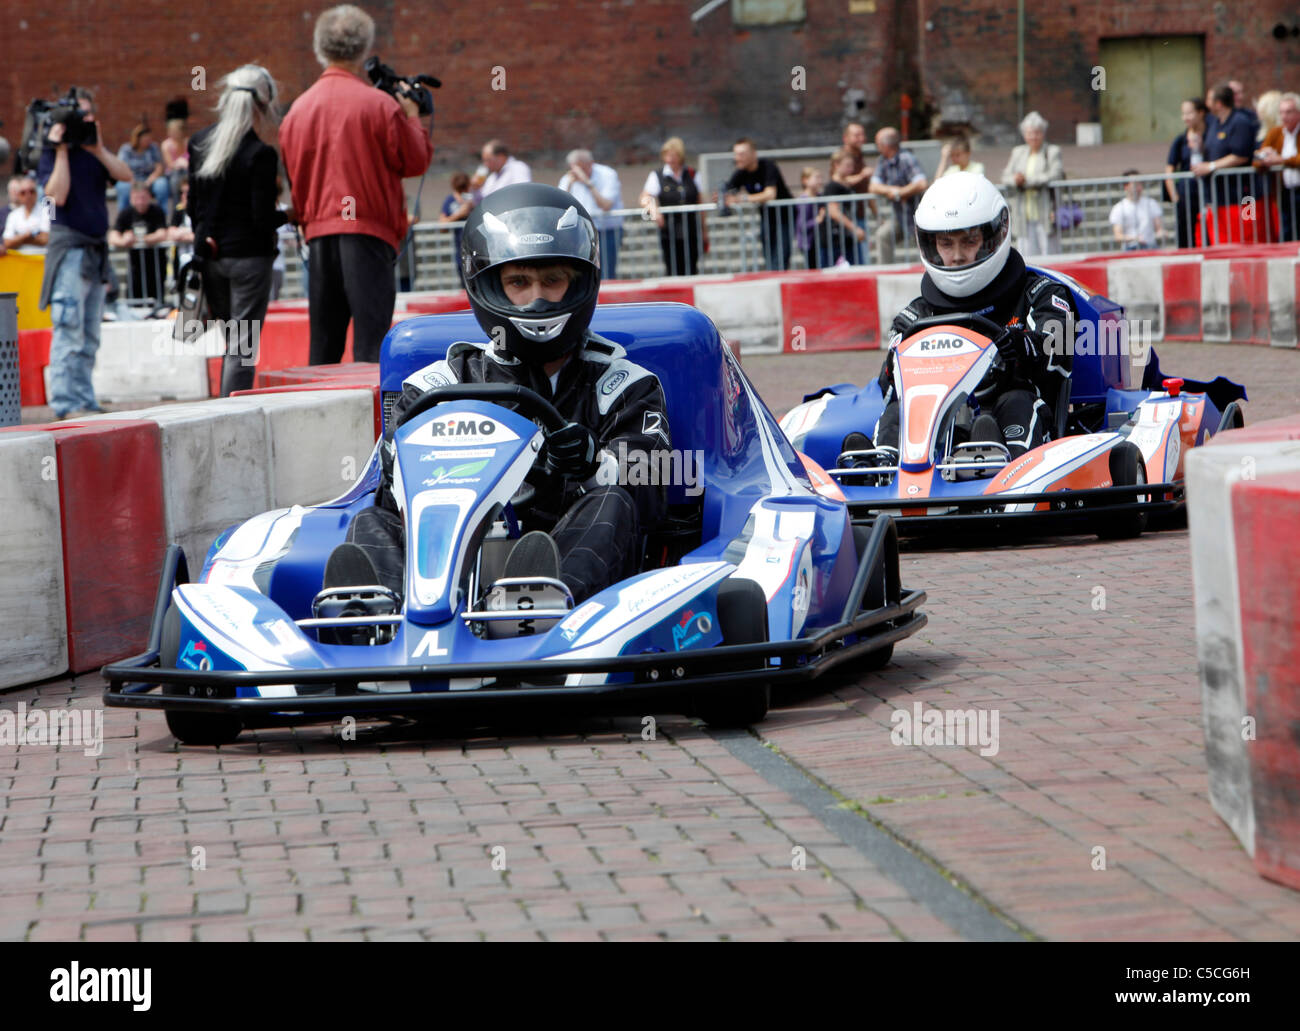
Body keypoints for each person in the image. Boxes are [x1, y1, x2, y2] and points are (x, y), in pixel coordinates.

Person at [333, 183, 670, 606]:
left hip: (568, 557)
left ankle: (537, 604)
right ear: (489, 285)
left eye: (553, 280)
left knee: (612, 502)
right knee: (371, 519)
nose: (537, 298)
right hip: (453, 553)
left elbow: (656, 492)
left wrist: (593, 464)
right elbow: (391, 490)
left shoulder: (624, 384)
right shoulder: (437, 386)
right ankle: (375, 619)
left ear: (579, 280)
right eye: (518, 282)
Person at [864, 172, 1073, 461]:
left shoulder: (1040, 293)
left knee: (1015, 402)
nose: (958, 256)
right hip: (937, 422)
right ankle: (883, 471)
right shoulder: (916, 316)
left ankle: (1003, 469)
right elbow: (889, 390)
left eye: (969, 241)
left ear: (993, 236)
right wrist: (894, 364)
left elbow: (1059, 357)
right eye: (946, 244)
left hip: (1018, 413)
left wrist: (1022, 349)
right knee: (900, 411)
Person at [280, 4, 434, 364]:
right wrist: (413, 118)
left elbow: (294, 175)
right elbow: (415, 162)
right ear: (364, 48)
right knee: (372, 345)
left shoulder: (297, 111)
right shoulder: (380, 105)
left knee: (324, 346)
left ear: (320, 48)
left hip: (319, 234)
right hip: (368, 232)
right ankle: (373, 419)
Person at [188, 65, 287, 396]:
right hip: (249, 260)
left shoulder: (199, 142)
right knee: (241, 346)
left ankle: (223, 404)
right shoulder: (260, 154)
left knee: (230, 341)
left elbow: (193, 207)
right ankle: (231, 410)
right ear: (261, 106)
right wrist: (289, 216)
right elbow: (261, 219)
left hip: (210, 257)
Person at [37, 87, 134, 420]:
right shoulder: (49, 154)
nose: (85, 120)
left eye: (88, 114)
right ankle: (66, 403)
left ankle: (84, 398)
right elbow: (55, 198)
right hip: (70, 252)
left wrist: (99, 148)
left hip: (96, 251)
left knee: (90, 333)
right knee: (69, 328)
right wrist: (61, 149)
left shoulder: (94, 154)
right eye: (79, 115)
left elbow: (126, 175)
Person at [1194, 83, 1256, 245]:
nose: (1206, 102)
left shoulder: (1240, 122)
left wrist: (1211, 166)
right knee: (1222, 242)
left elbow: (1240, 156)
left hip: (1243, 197)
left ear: (1218, 103)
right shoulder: (1214, 123)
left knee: (1245, 238)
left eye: (1209, 99)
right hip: (1218, 197)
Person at [638, 136, 707, 277]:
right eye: (667, 155)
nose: (670, 159)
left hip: (691, 229)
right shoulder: (657, 175)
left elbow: (700, 203)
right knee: (672, 267)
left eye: (674, 155)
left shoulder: (692, 174)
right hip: (669, 230)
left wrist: (704, 229)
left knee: (692, 266)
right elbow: (644, 197)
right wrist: (654, 210)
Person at [722, 137, 794, 271]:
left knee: (781, 255)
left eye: (742, 154)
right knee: (769, 254)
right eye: (736, 154)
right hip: (767, 216)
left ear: (753, 154)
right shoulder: (741, 172)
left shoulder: (768, 166)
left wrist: (742, 198)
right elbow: (729, 191)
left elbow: (770, 194)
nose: (738, 158)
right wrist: (722, 197)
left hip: (784, 216)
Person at [1001, 112, 1063, 256]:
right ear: (1024, 135)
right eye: (1029, 133)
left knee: (1049, 252)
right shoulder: (1018, 152)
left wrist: (1028, 181)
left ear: (1043, 133)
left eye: (1037, 133)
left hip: (1046, 211)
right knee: (1026, 254)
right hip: (1023, 213)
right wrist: (1015, 180)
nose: (1033, 137)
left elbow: (1055, 174)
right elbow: (1005, 176)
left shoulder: (1052, 151)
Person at [559, 148, 623, 280]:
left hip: (606, 231)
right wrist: (570, 185)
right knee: (581, 273)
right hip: (580, 233)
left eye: (581, 168)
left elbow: (605, 205)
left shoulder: (607, 174)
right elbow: (561, 206)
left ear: (591, 163)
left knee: (606, 272)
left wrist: (588, 183)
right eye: (575, 168)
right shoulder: (567, 178)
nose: (578, 172)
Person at [868, 127, 928, 264]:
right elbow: (873, 186)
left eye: (877, 143)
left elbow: (921, 183)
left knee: (923, 244)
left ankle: (929, 272)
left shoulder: (907, 158)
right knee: (883, 235)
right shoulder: (882, 161)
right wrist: (892, 190)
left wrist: (901, 192)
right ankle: (886, 271)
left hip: (918, 214)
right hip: (900, 216)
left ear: (885, 145)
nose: (877, 147)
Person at [107, 182, 169, 303]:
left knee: (157, 298)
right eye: (137, 198)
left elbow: (162, 233)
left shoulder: (156, 211)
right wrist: (124, 240)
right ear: (131, 198)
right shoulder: (126, 213)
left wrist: (140, 239)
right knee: (134, 298)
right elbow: (113, 237)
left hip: (155, 264)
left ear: (149, 197)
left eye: (143, 198)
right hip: (135, 266)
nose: (140, 202)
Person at [1255, 92, 1300, 242]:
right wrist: (1264, 157)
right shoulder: (1276, 132)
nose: (1284, 116)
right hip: (1285, 191)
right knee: (1287, 232)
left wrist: (1280, 160)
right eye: (1281, 112)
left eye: (1289, 112)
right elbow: (1257, 159)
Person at [1165, 97, 1210, 248]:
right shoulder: (1180, 140)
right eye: (1183, 114)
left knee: (1209, 233)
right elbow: (1169, 168)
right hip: (1186, 195)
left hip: (1209, 193)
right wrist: (1175, 197)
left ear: (1201, 113)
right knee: (1185, 236)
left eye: (1189, 113)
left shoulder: (1211, 134)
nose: (1186, 118)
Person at [823, 149, 869, 265]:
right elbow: (833, 211)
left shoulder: (845, 183)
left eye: (852, 166)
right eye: (847, 165)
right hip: (836, 239)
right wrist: (854, 228)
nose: (851, 169)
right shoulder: (832, 187)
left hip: (846, 237)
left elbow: (849, 180)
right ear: (836, 165)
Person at [115, 124, 170, 214]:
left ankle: (162, 216)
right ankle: (123, 218)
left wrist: (149, 181)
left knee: (162, 185)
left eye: (149, 138)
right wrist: (132, 181)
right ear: (138, 138)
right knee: (123, 187)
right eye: (146, 138)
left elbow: (159, 168)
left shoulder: (153, 148)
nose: (148, 140)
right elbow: (122, 167)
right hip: (130, 179)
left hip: (149, 179)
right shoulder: (126, 149)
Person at [1108, 171, 1164, 251]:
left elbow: (1159, 228)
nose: (1139, 187)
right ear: (1126, 186)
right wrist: (1134, 239)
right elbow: (1118, 236)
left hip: (1150, 246)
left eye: (1140, 184)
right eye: (1135, 184)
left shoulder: (1151, 203)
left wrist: (1161, 233)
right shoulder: (1118, 208)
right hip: (1130, 248)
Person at [2, 176, 51, 254]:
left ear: (36, 193)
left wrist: (18, 239)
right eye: (23, 193)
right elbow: (7, 242)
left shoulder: (46, 211)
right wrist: (26, 236)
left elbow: (45, 239)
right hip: (20, 262)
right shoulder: (13, 215)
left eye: (31, 191)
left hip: (40, 260)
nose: (28, 195)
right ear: (18, 195)